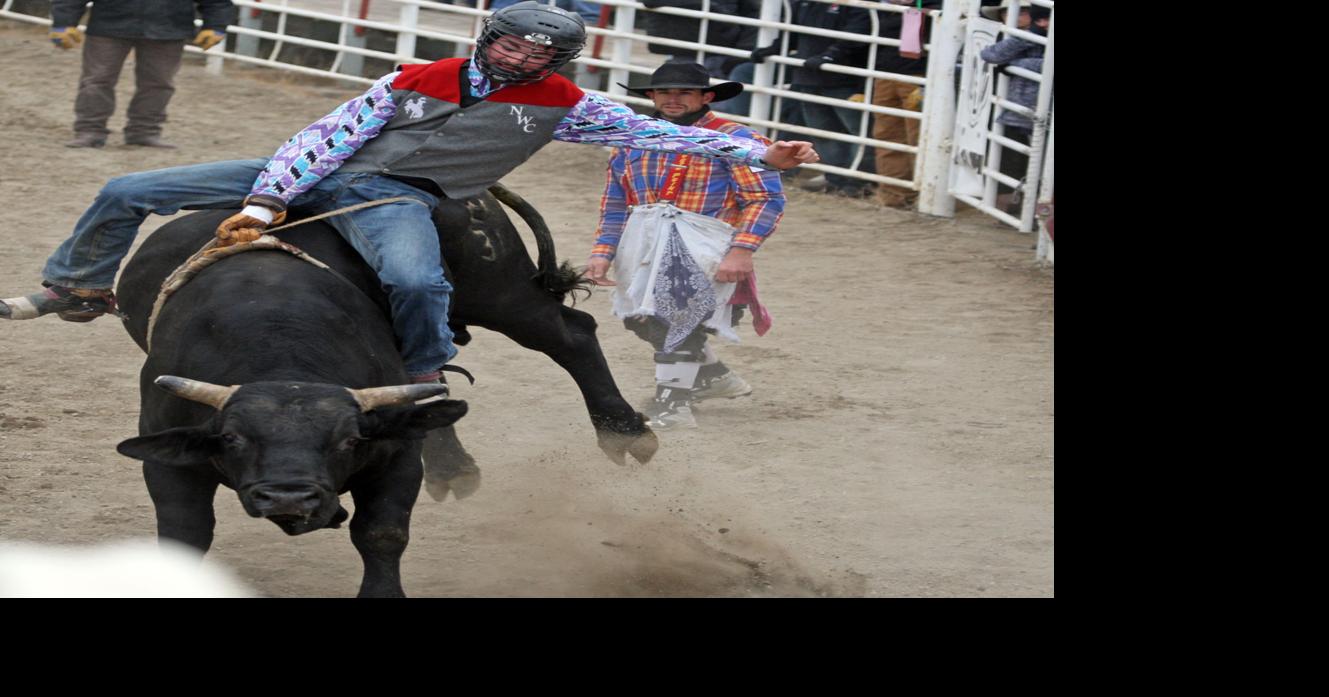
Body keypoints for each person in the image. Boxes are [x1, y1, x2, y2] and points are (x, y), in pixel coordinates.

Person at [2, 2, 818, 390]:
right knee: (127, 187)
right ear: (489, 38)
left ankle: (424, 373)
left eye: (534, 52)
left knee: (419, 280)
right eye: (508, 42)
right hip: (320, 173)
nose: (516, 56)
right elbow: (326, 136)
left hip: (400, 195)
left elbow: (664, 134)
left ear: (555, 60)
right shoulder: (415, 78)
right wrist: (266, 200)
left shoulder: (567, 105)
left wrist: (760, 152)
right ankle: (78, 284)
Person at [584, 63, 784, 430]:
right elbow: (615, 199)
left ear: (706, 97)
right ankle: (713, 376)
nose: (673, 99)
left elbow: (764, 198)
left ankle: (672, 405)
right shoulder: (633, 138)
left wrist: (742, 250)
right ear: (652, 96)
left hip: (706, 238)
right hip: (644, 236)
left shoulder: (736, 139)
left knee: (677, 313)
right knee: (640, 318)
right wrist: (602, 251)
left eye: (684, 93)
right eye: (665, 92)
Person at [50, 0, 237, 149]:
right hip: (110, 26)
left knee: (159, 83)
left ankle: (144, 131)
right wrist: (64, 22)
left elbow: (217, 1)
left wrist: (215, 25)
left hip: (168, 28)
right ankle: (90, 130)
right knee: (97, 80)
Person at [870, 0, 941, 209]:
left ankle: (924, 193)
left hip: (917, 76)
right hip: (885, 74)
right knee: (887, 134)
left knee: (918, 136)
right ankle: (895, 193)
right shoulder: (883, 7)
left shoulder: (937, 7)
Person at [980, 3, 1049, 214]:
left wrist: (1016, 64)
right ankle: (1011, 210)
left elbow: (1049, 65)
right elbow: (990, 55)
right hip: (1018, 111)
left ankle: (1035, 213)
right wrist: (1028, 37)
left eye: (1024, 11)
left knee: (1043, 166)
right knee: (1011, 161)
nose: (1015, 16)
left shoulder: (1025, 38)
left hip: (1034, 110)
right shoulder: (1015, 37)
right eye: (1007, 11)